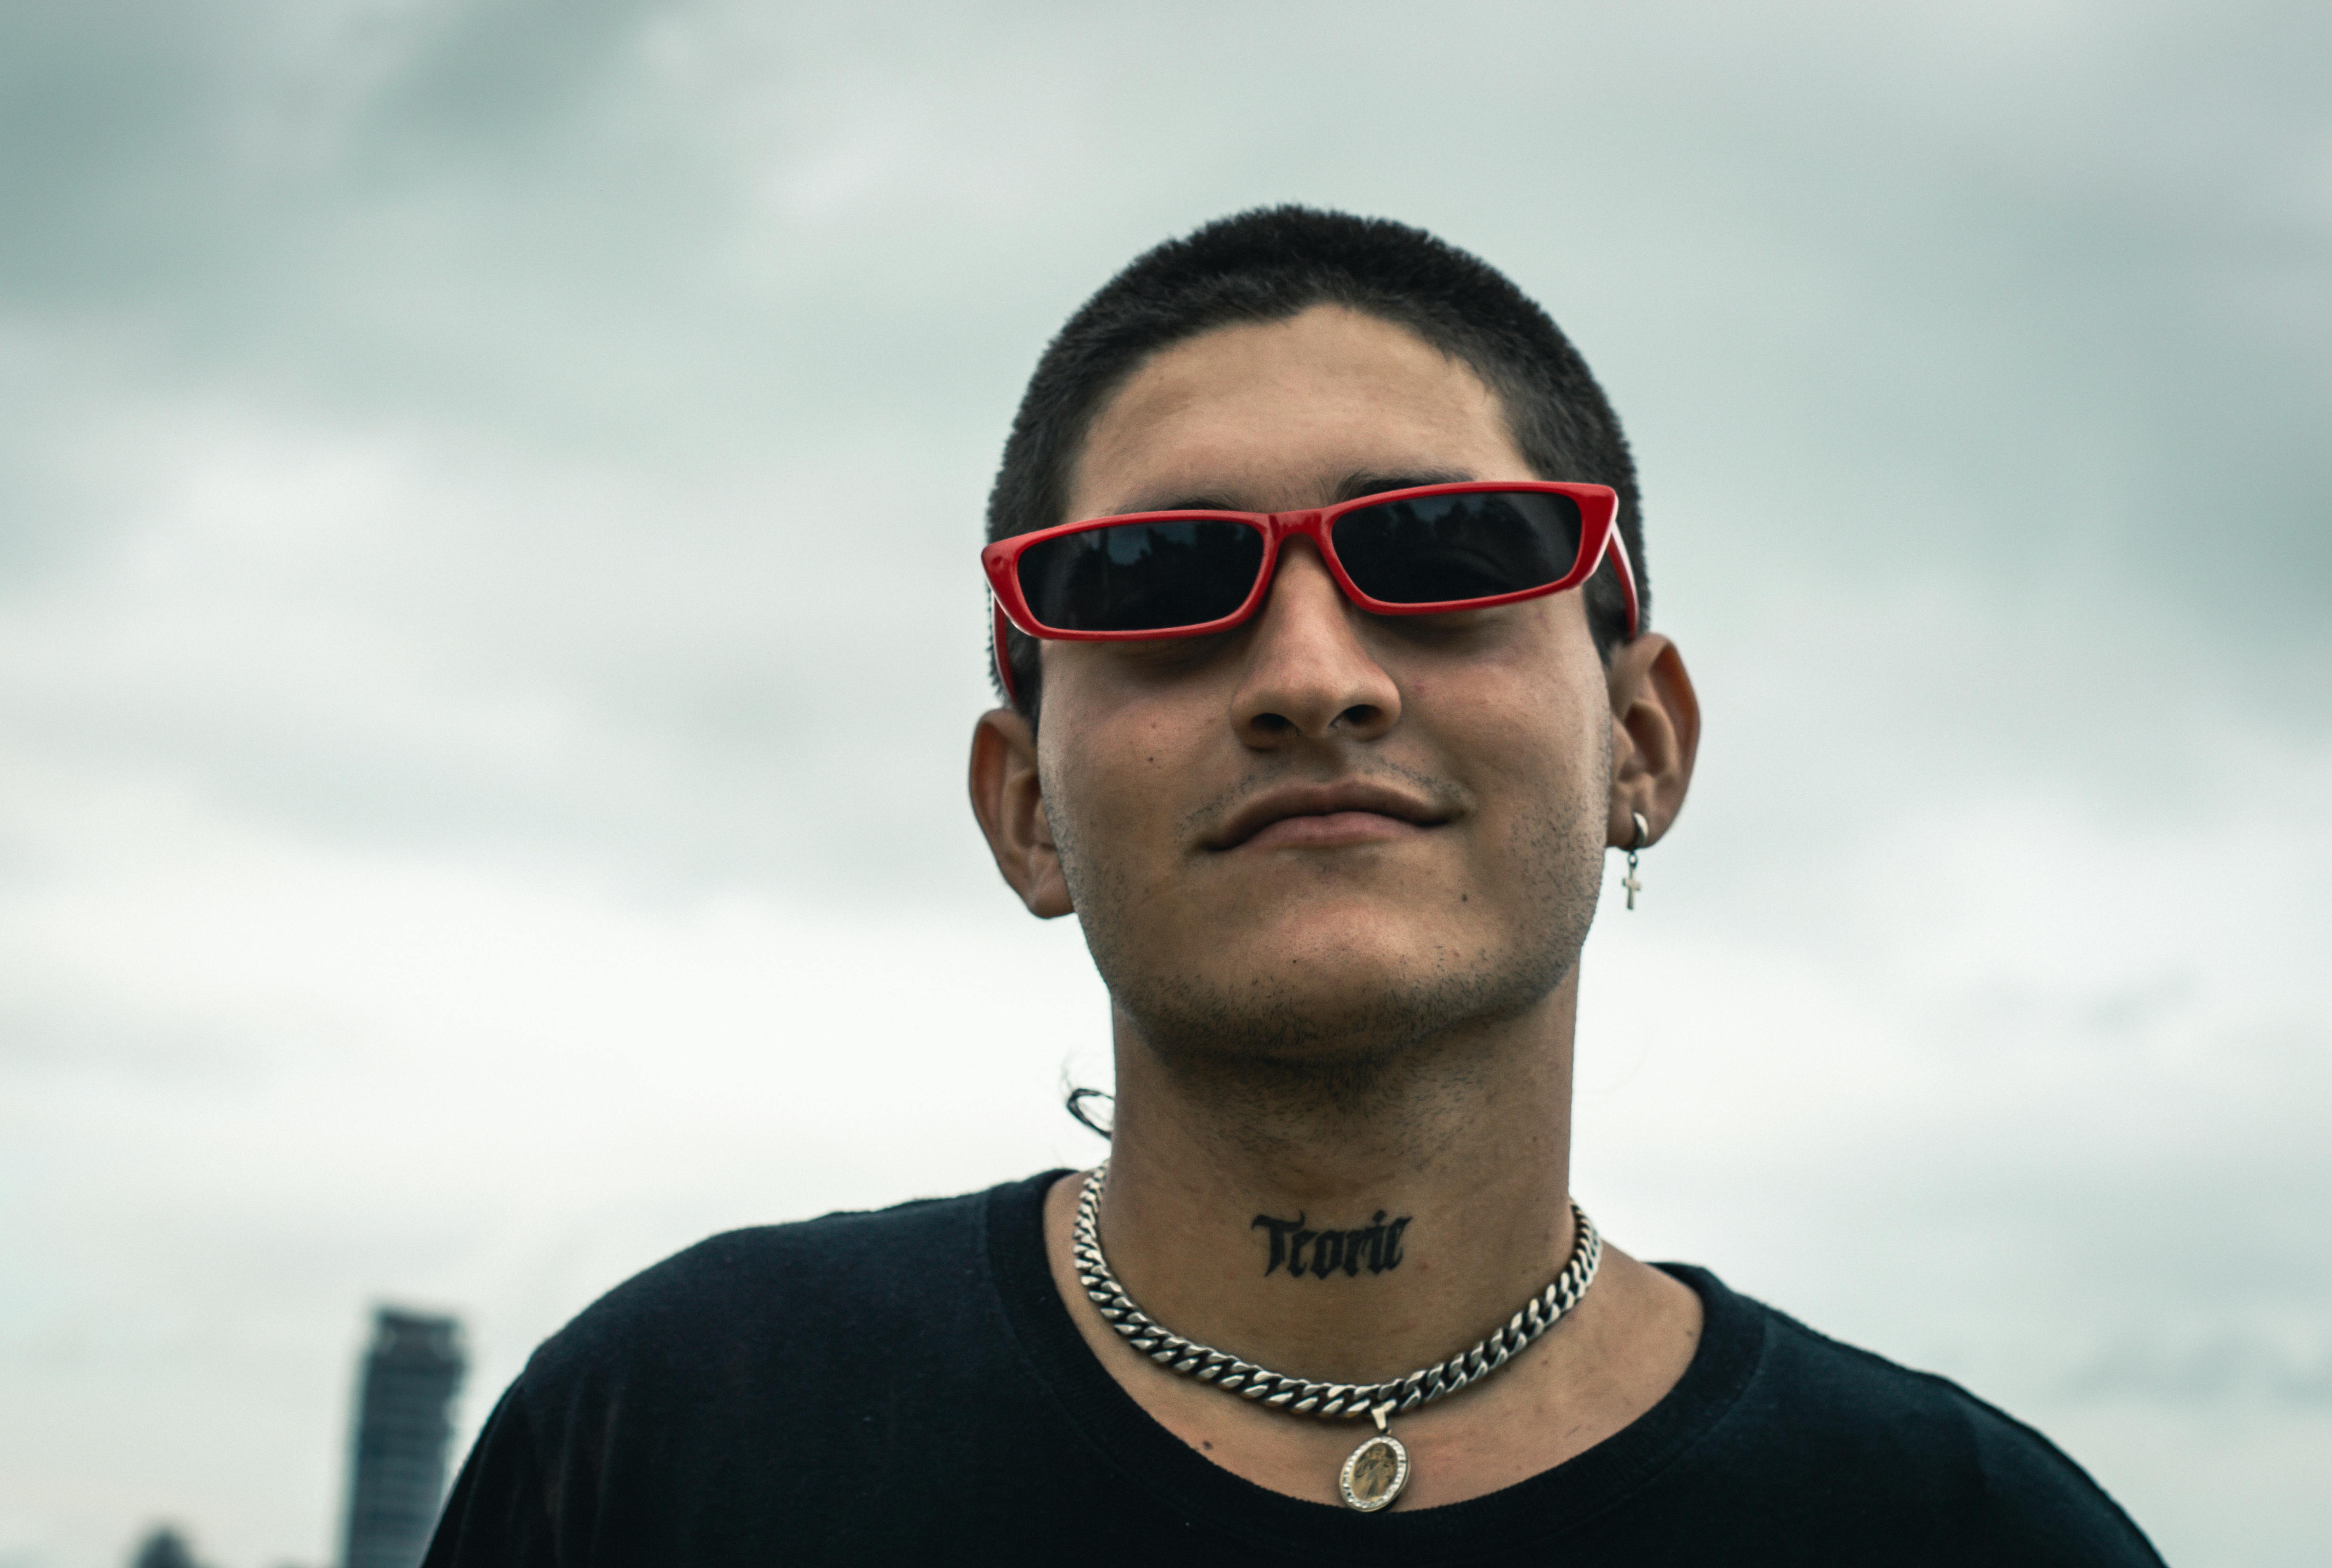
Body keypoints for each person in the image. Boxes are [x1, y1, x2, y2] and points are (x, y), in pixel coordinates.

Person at [423, 207, 2163, 1564]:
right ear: (1024, 804)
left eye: (1445, 549)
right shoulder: (680, 1433)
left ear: (1640, 739)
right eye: (1155, 575)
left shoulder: (1967, 1536)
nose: (1312, 673)